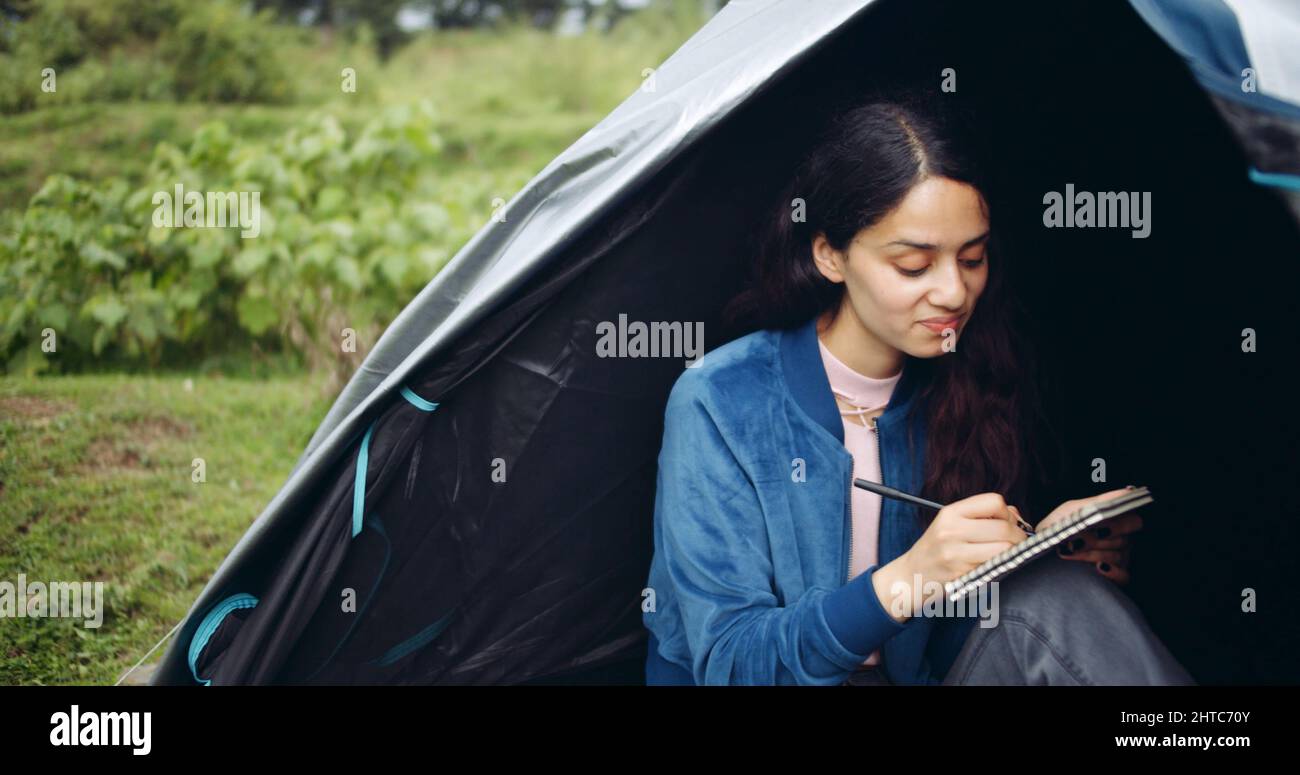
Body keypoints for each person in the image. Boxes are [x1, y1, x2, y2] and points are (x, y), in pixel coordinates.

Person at [640, 91, 1194, 686]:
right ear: (830, 254)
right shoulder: (721, 399)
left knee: (1061, 598)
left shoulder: (968, 382)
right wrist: (906, 580)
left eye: (973, 258)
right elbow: (731, 663)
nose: (954, 292)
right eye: (913, 266)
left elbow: (946, 640)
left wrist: (1036, 557)